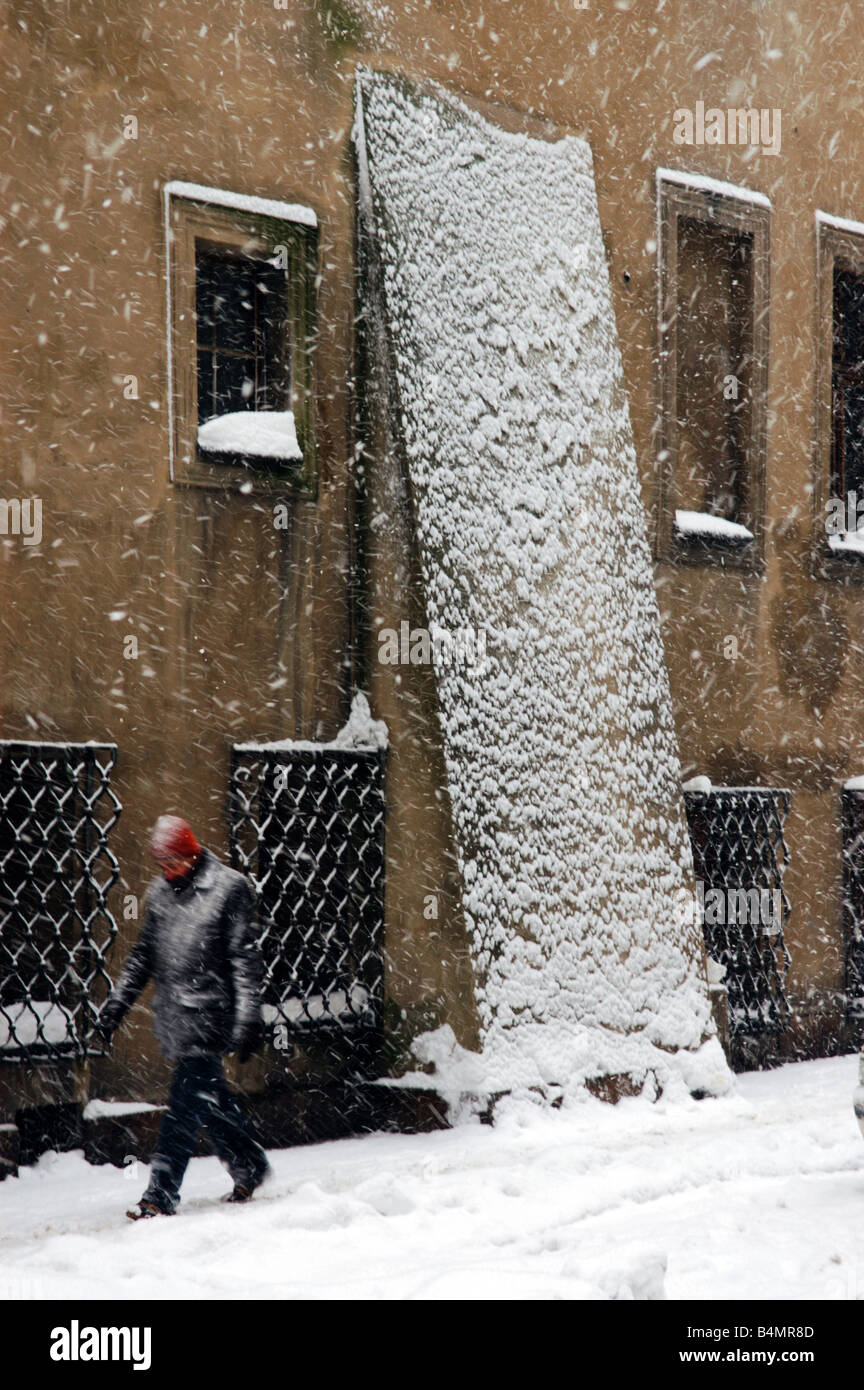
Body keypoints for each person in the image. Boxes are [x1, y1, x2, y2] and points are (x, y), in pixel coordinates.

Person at [98, 815, 271, 1219]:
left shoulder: (229, 889)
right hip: (177, 1017)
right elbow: (144, 956)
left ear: (193, 853)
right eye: (162, 864)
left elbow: (244, 958)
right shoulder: (160, 894)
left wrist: (248, 1016)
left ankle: (160, 1194)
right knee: (208, 1102)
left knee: (182, 1110)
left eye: (174, 862)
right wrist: (115, 1007)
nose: (167, 871)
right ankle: (249, 1163)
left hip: (212, 1016)